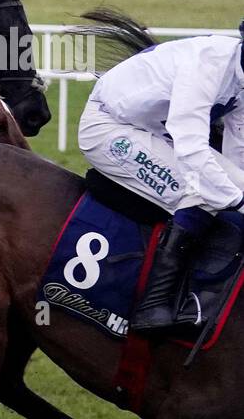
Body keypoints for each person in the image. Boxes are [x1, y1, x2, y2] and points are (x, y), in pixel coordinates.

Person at [78, 30, 244, 332]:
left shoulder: (240, 77)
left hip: (153, 131)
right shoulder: (209, 63)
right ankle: (154, 305)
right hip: (108, 128)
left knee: (226, 185)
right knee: (201, 190)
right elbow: (190, 145)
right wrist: (235, 200)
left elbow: (238, 152)